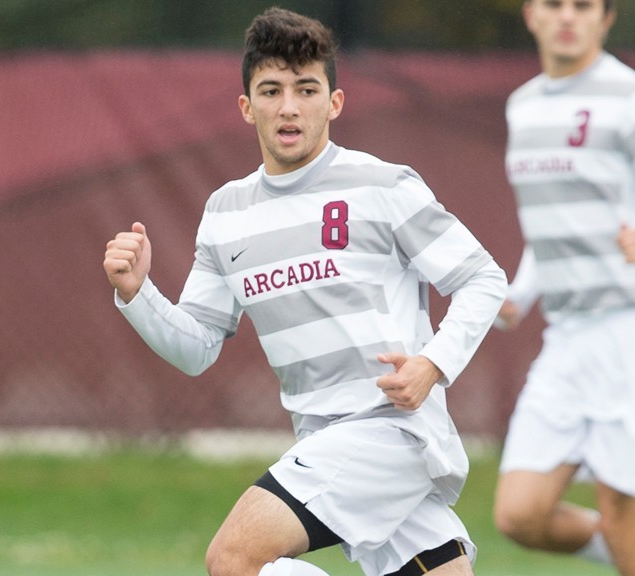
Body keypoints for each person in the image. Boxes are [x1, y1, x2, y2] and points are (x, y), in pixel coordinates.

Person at [103, 8, 507, 576]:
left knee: (234, 559)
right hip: (324, 440)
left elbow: (482, 278)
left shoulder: (383, 185)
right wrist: (137, 292)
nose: (288, 106)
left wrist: (431, 365)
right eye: (270, 90)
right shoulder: (225, 212)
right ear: (247, 107)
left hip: (388, 429)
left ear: (333, 103)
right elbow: (195, 347)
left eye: (306, 89)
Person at [492, 1, 635, 576]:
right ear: (530, 14)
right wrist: (521, 292)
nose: (568, 16)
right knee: (520, 514)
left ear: (607, 18)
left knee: (622, 516)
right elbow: (551, 223)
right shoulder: (523, 106)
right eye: (554, 4)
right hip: (569, 334)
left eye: (584, 5)